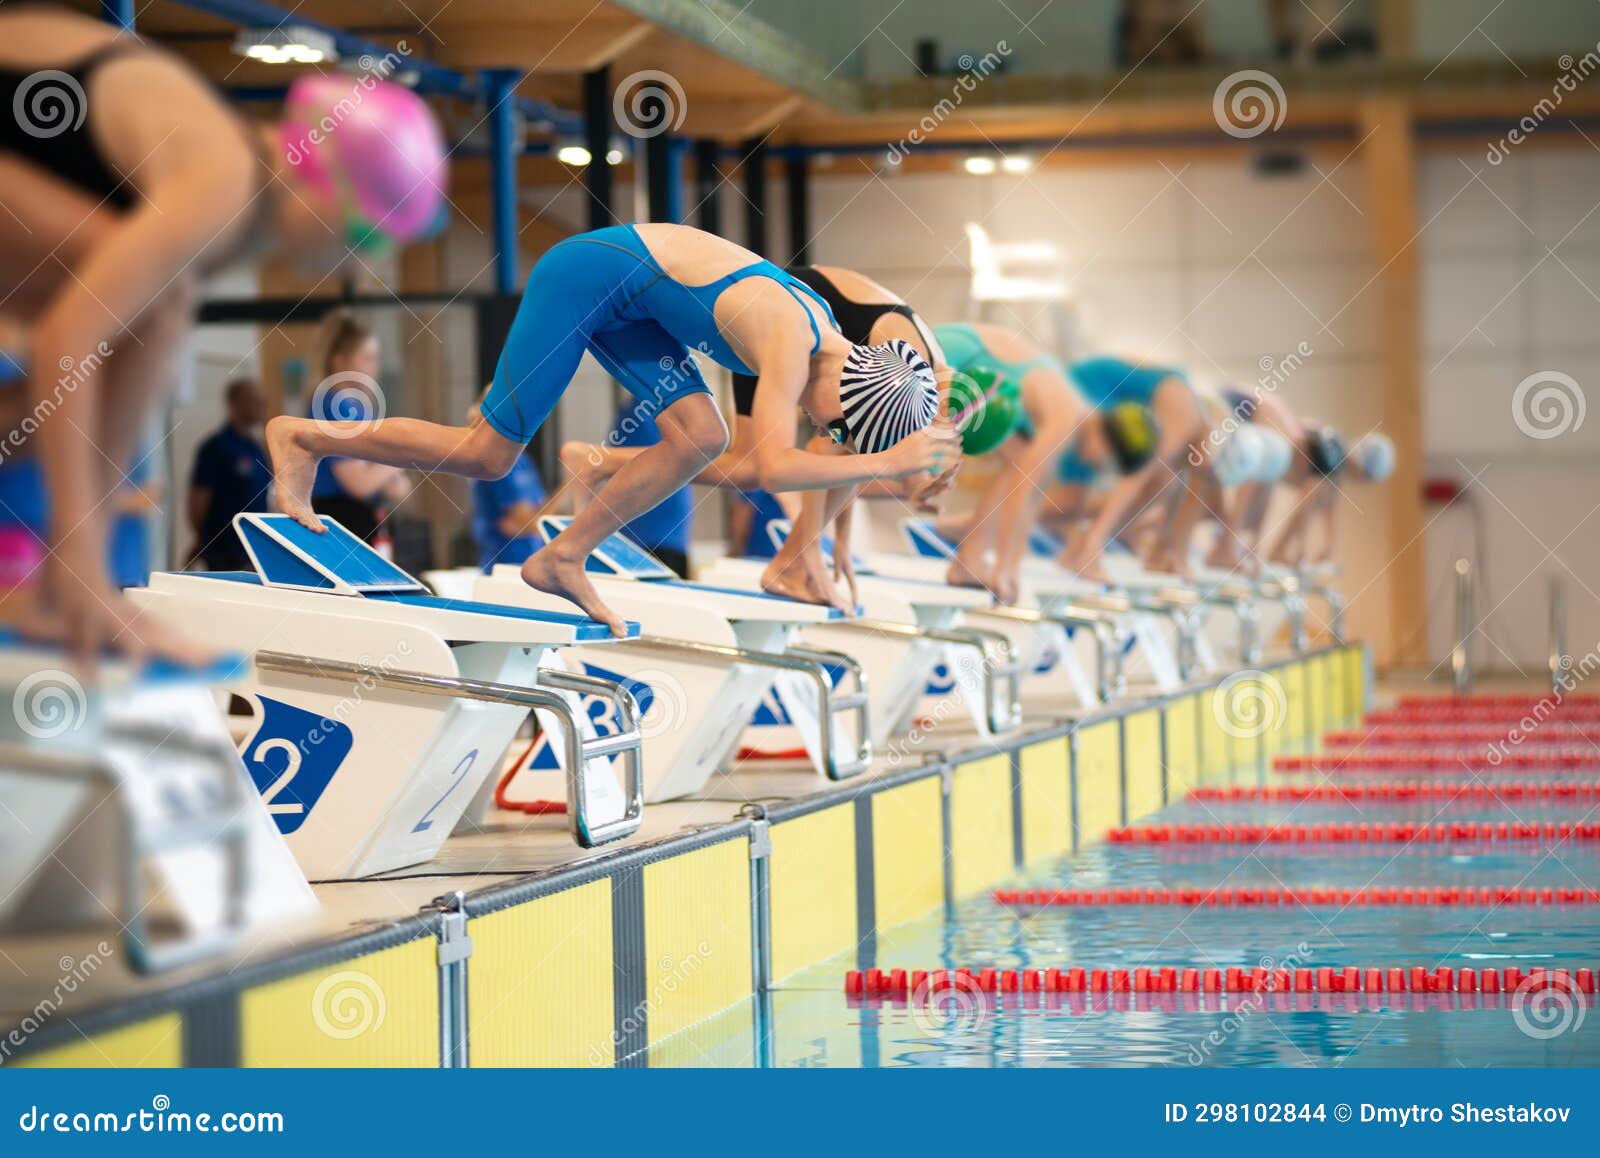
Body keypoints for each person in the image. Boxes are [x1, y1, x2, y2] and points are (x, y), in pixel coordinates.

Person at [0, 6, 447, 662]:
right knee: (155, 303)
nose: (358, 265)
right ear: (320, 181)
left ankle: (72, 583)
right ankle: (73, 582)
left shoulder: (235, 195)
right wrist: (79, 558)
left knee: (154, 308)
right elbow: (68, 337)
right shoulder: (225, 181)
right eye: (364, 236)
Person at [267, 225, 956, 635]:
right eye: (829, 419)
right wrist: (889, 462)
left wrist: (834, 526)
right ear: (851, 387)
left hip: (636, 303)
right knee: (486, 455)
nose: (814, 418)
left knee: (702, 435)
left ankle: (562, 556)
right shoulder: (791, 334)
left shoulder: (820, 345)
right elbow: (774, 469)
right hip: (588, 275)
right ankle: (306, 437)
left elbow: (797, 459)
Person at [553, 263, 961, 610]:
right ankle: (789, 567)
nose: (912, 493)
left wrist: (839, 542)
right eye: (920, 488)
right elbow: (832, 448)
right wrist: (811, 555)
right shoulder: (905, 368)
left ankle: (599, 460)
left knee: (745, 468)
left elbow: (850, 453)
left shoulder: (920, 395)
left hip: (791, 315)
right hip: (775, 320)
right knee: (759, 467)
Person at [932, 322, 1159, 604]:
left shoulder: (1063, 414)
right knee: (901, 459)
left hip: (962, 356)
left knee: (1015, 462)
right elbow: (1021, 490)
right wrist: (1006, 569)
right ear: (1106, 440)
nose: (1100, 468)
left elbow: (1027, 494)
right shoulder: (1067, 414)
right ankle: (972, 559)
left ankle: (969, 561)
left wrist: (1013, 565)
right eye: (1108, 463)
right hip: (952, 352)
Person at [307, 311, 412, 544]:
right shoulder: (332, 405)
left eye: (376, 359)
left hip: (367, 518)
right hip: (339, 518)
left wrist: (390, 464)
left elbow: (399, 488)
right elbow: (360, 484)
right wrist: (400, 455)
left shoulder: (362, 408)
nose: (374, 367)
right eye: (367, 358)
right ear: (340, 361)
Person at [187, 377, 271, 571]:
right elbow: (199, 499)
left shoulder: (257, 448)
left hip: (254, 550)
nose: (261, 405)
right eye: (254, 400)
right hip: (223, 550)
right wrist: (200, 539)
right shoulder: (216, 447)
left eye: (261, 400)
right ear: (234, 404)